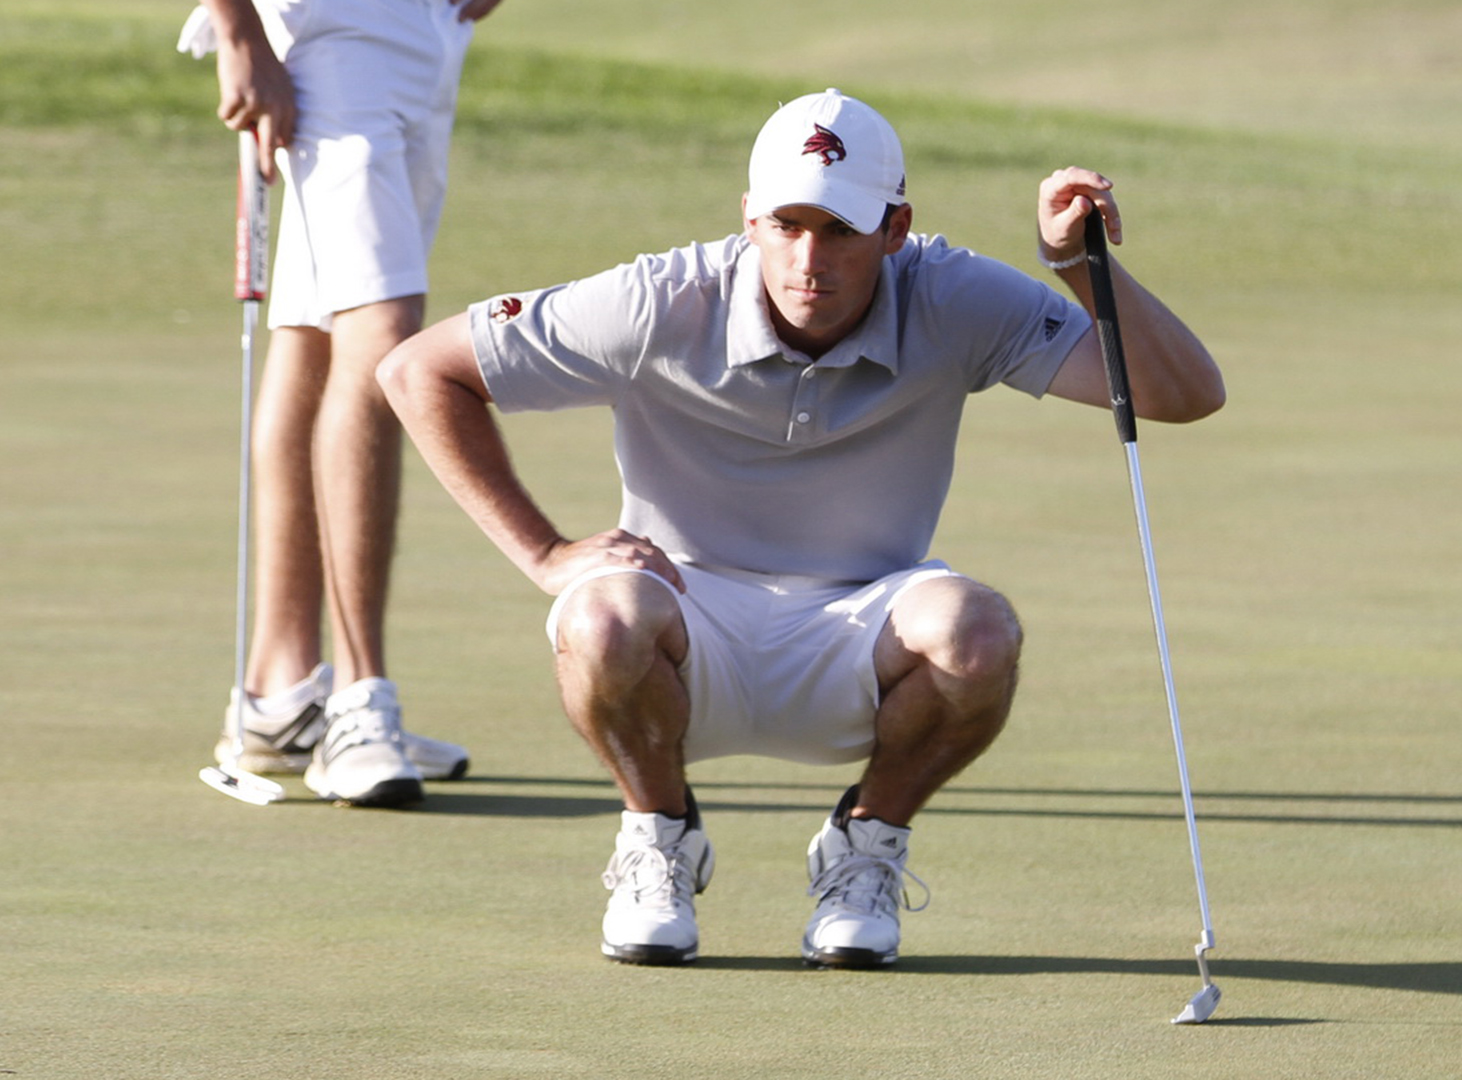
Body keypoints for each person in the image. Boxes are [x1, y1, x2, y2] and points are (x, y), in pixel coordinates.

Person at [378, 89, 1225, 963]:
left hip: (866, 625)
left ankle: (865, 848)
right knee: (599, 620)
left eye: (841, 229)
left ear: (895, 228)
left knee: (978, 633)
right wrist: (544, 553)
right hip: (682, 619)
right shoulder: (656, 299)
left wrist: (1075, 265)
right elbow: (417, 371)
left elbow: (1183, 395)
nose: (809, 258)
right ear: (748, 218)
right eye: (786, 224)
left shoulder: (954, 295)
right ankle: (658, 836)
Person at [180, 0, 505, 807]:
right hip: (333, 32)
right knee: (381, 330)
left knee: (315, 333)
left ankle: (280, 696)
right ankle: (361, 702)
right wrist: (240, 30)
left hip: (426, 28)